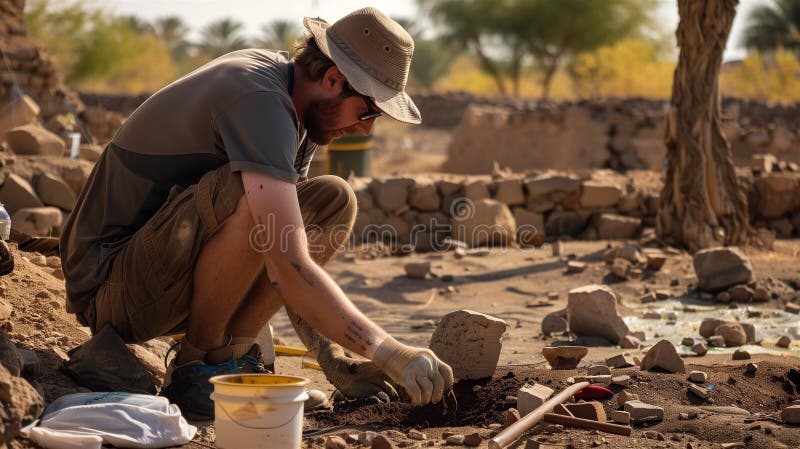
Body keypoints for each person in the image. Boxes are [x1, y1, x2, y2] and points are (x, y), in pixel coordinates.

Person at [59, 7, 453, 421]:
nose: (365, 130)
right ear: (334, 79)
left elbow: (289, 252)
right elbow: (289, 264)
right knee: (249, 195)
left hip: (159, 277)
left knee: (332, 199)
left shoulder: (297, 105)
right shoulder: (260, 100)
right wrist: (388, 351)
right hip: (108, 287)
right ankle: (199, 366)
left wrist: (335, 360)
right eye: (368, 111)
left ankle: (230, 356)